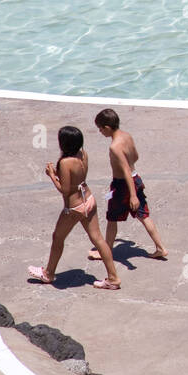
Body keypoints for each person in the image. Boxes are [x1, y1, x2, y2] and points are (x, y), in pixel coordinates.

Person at [29, 126, 120, 290]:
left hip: (74, 207)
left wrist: (51, 175)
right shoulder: (83, 154)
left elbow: (65, 190)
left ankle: (48, 273)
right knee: (98, 239)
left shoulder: (65, 162)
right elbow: (76, 179)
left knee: (58, 237)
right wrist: (58, 174)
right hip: (88, 200)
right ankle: (113, 278)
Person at [87, 109, 168, 262]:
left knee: (112, 218)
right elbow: (135, 156)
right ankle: (160, 248)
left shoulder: (115, 146)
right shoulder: (127, 136)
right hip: (135, 178)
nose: (100, 132)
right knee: (144, 216)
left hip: (123, 185)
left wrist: (132, 195)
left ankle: (106, 251)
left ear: (107, 128)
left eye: (100, 128)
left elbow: (124, 170)